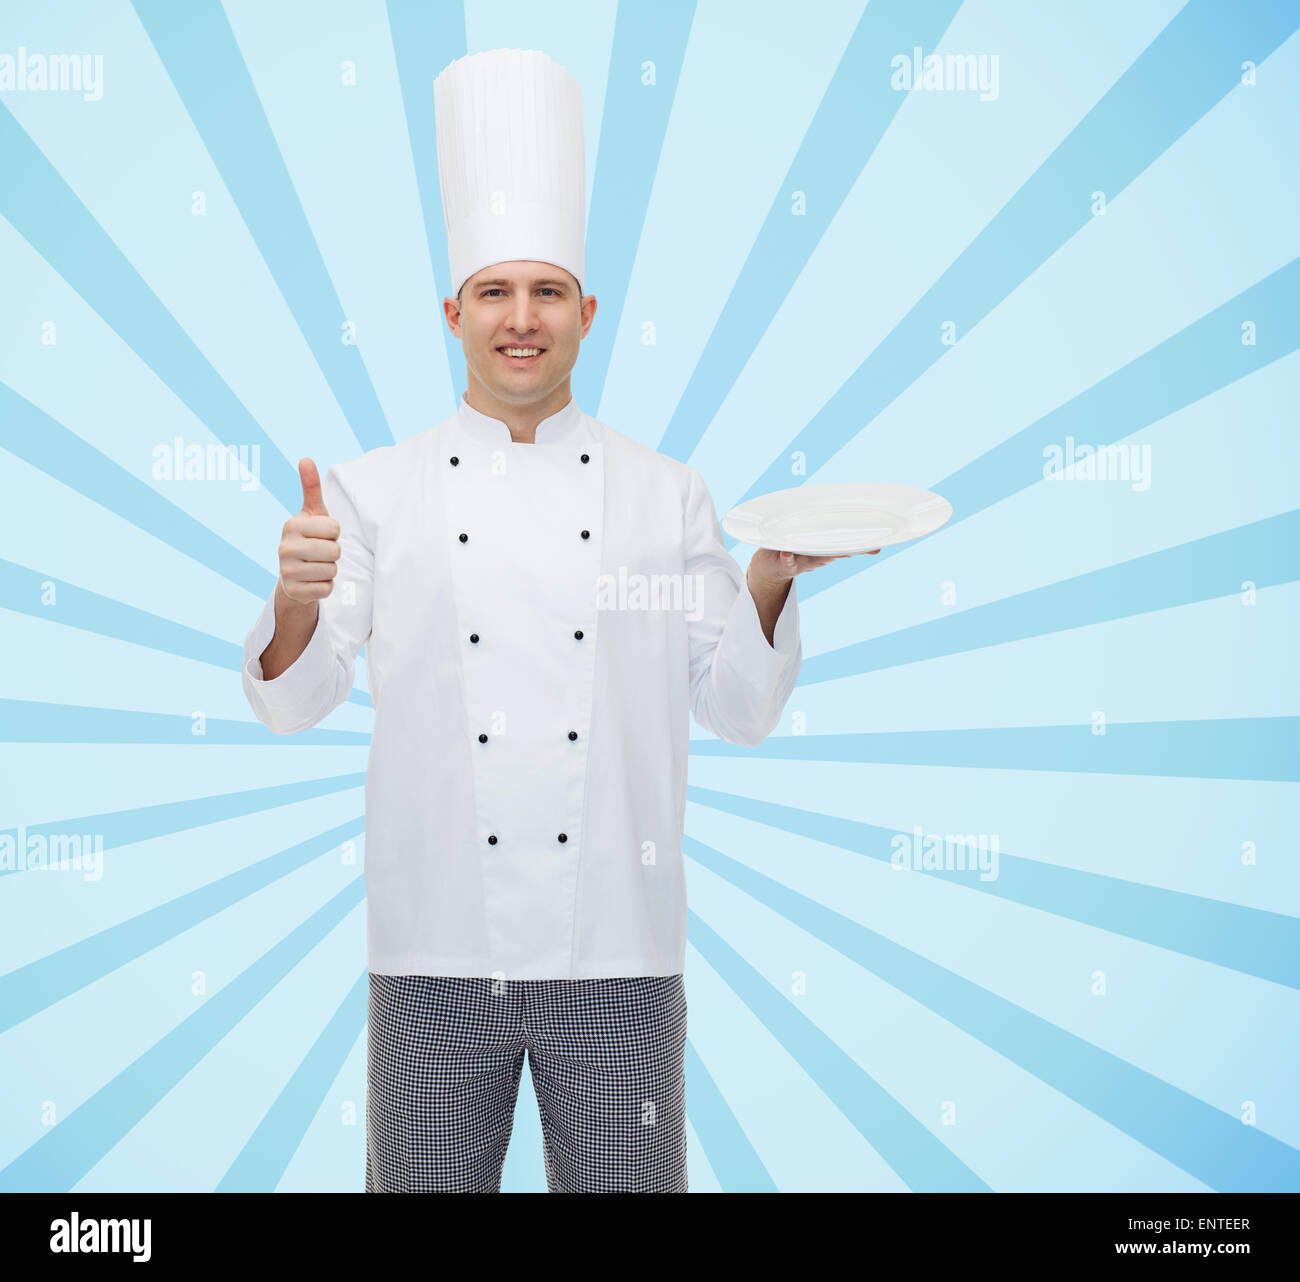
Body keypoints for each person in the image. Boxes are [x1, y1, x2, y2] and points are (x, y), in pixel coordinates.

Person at [241, 48, 845, 1193]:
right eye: (495, 293)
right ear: (453, 312)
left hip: (619, 949)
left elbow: (737, 708)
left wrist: (768, 576)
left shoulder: (667, 492)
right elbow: (299, 694)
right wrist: (293, 598)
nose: (521, 319)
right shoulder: (375, 490)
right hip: (428, 951)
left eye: (547, 291)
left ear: (587, 311)